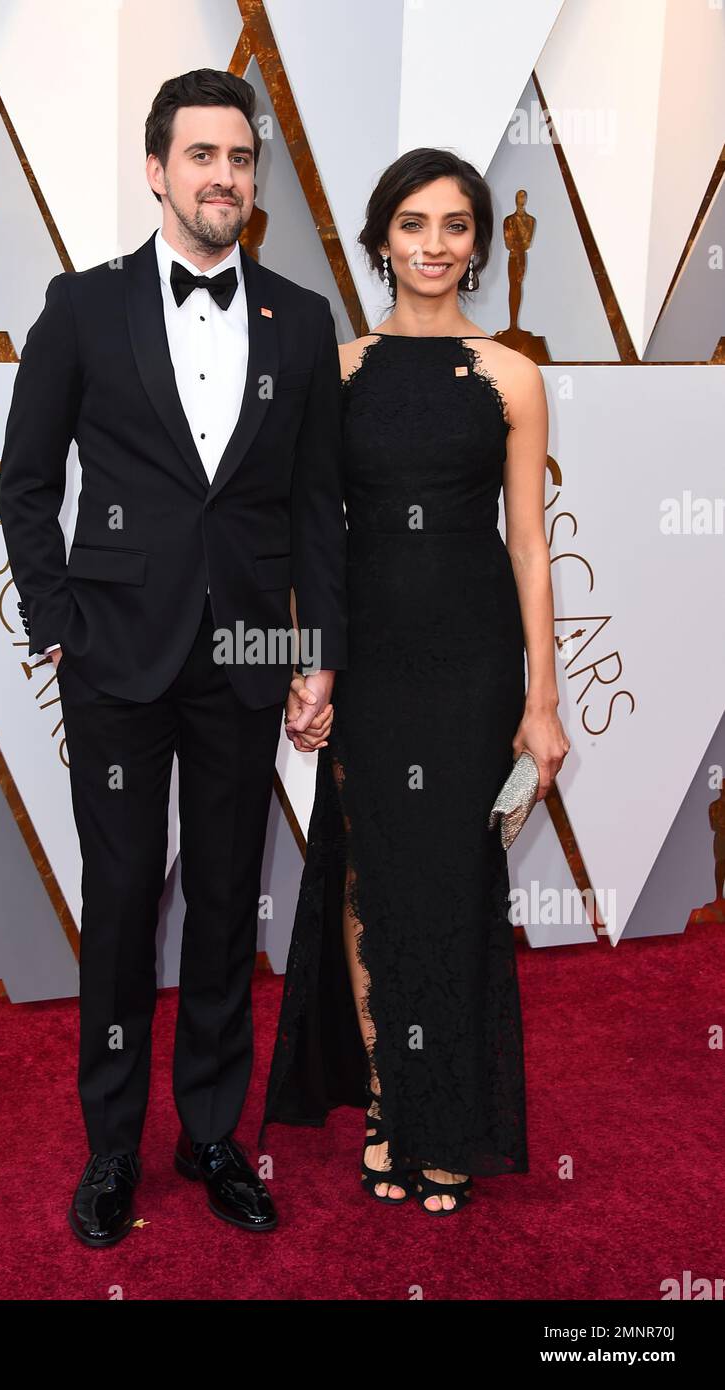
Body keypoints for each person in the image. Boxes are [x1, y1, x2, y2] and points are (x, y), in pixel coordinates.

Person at [0, 68, 347, 1246]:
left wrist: (316, 653)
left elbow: (315, 508)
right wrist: (56, 621)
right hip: (114, 654)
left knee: (221, 905)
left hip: (249, 652)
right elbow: (27, 479)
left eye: (241, 159)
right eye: (202, 156)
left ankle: (211, 1136)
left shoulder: (299, 320)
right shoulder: (82, 307)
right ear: (157, 170)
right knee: (116, 902)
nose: (225, 178)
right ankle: (110, 1152)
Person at [261, 149, 569, 1214]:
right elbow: (316, 542)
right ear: (380, 240)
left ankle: (451, 1114)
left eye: (454, 225)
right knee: (369, 875)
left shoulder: (512, 373)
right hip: (375, 654)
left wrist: (543, 696)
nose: (433, 245)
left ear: (478, 244)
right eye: (411, 224)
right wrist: (313, 665)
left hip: (474, 655)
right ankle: (395, 1102)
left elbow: (529, 542)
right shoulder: (335, 371)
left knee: (456, 876)